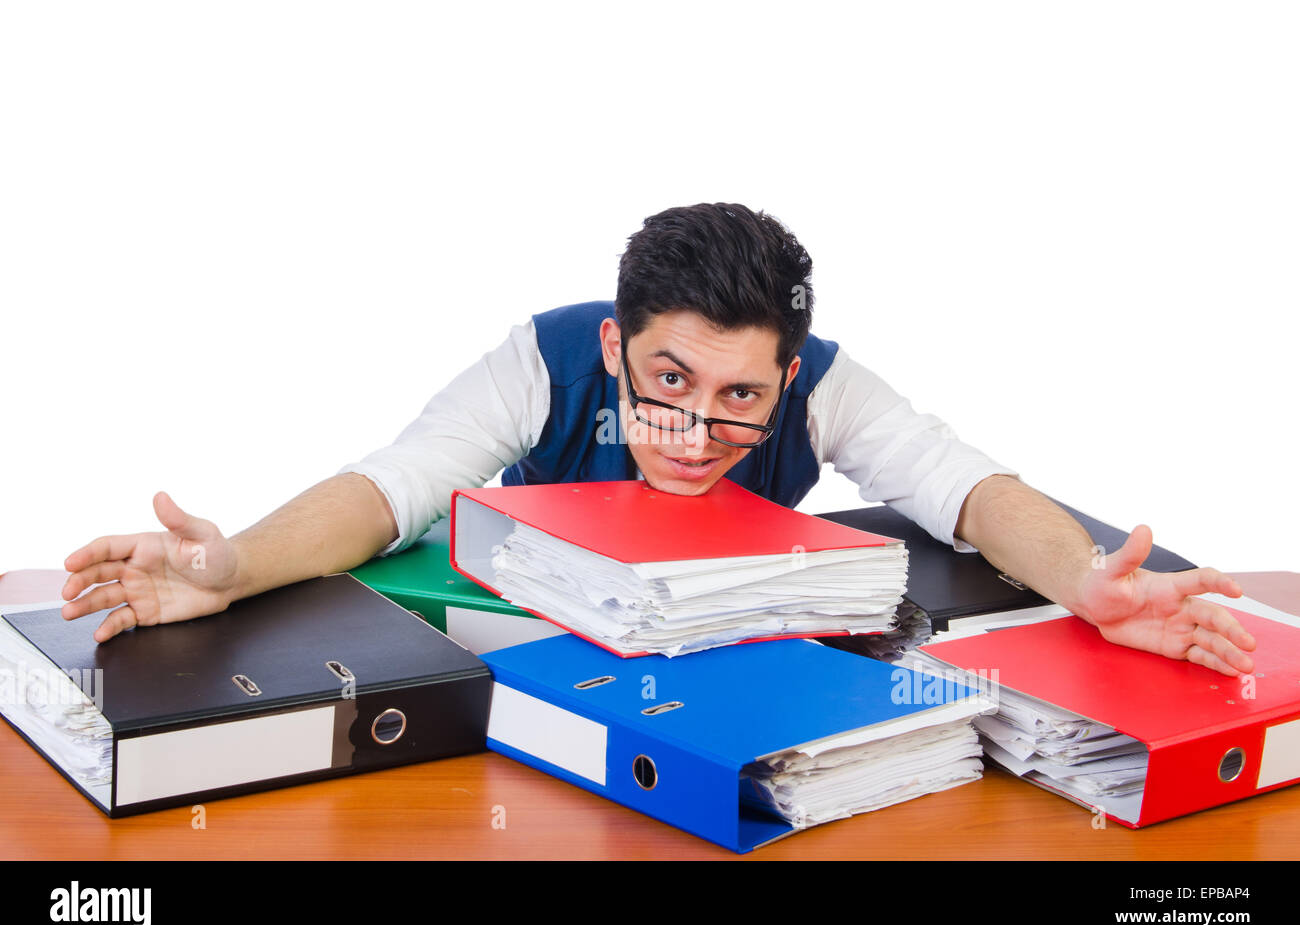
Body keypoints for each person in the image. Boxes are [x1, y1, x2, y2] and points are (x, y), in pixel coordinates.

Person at [60, 203, 1255, 676]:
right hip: (540, 671)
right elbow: (391, 488)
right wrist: (234, 568)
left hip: (738, 669)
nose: (693, 432)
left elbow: (967, 489)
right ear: (620, 344)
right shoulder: (543, 355)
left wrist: (1081, 584)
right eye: (666, 380)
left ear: (784, 377)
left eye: (742, 398)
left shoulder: (821, 386)